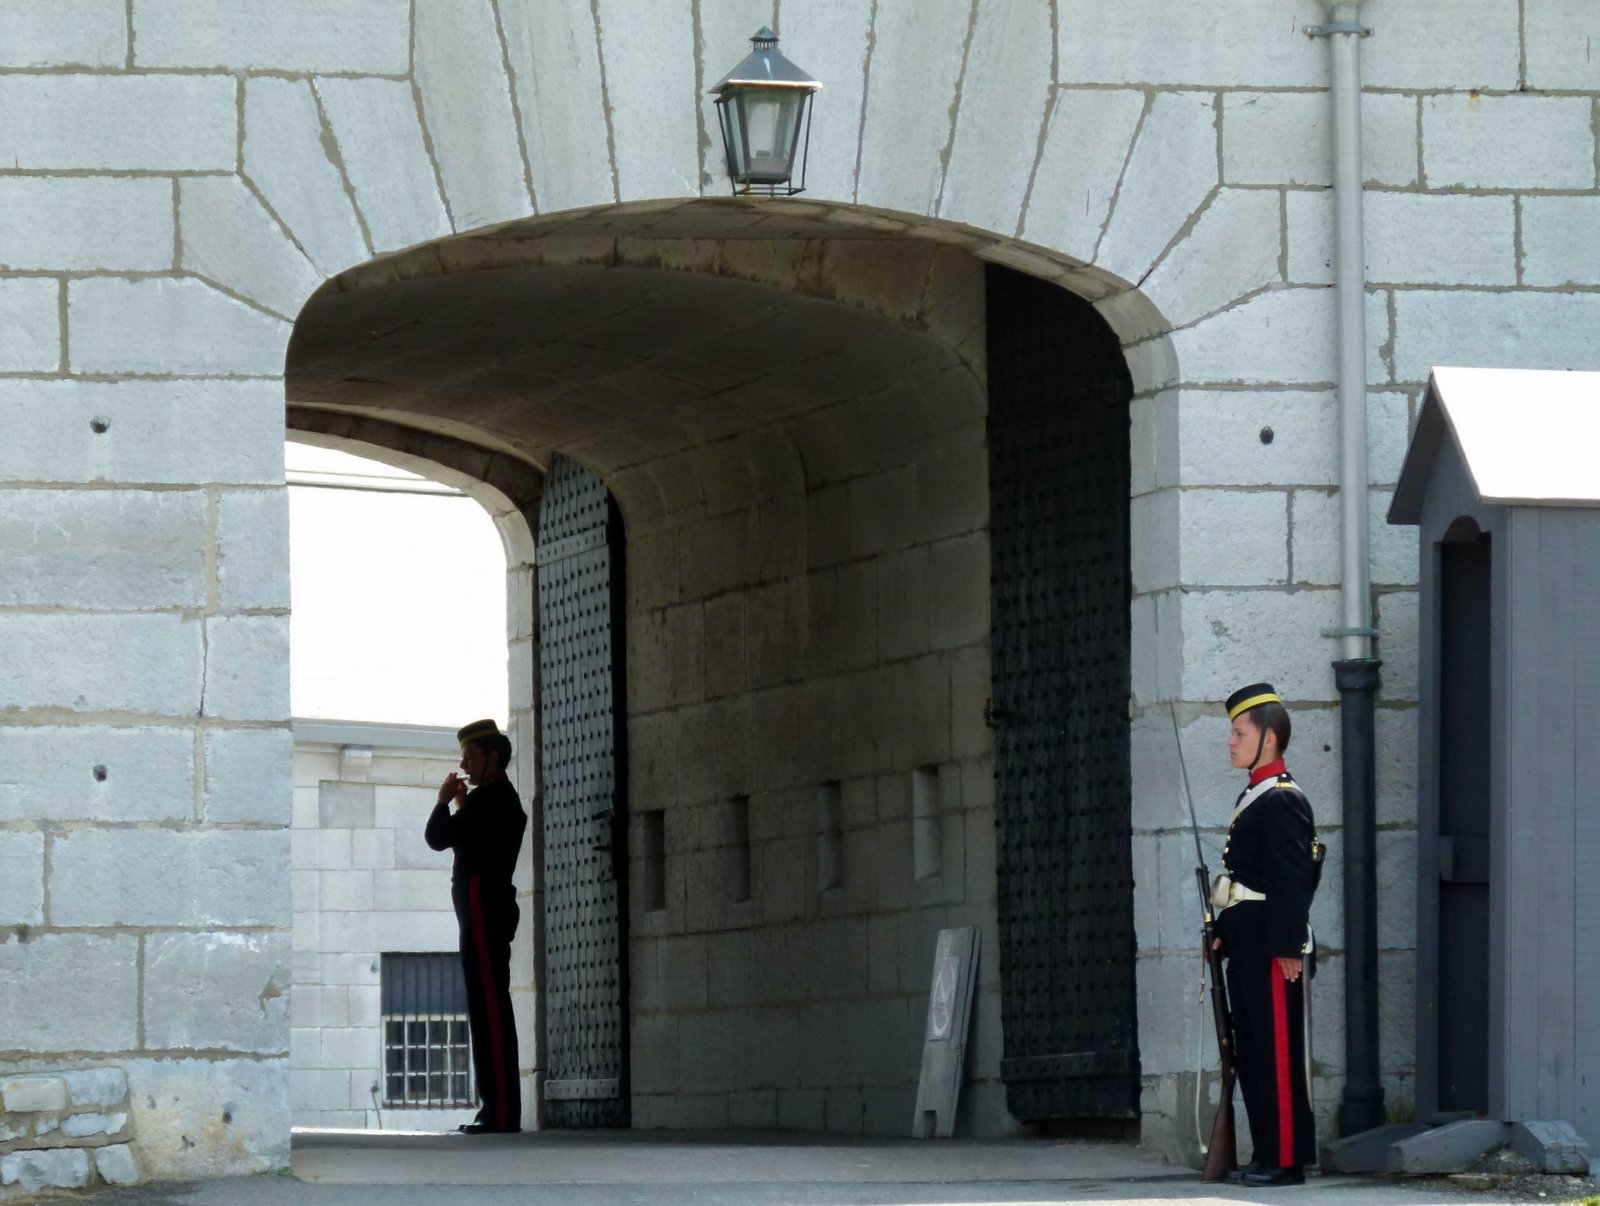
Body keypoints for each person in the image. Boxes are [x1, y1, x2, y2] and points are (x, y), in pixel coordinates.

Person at [1212, 683, 1321, 1186]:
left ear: (1269, 739)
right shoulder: (1256, 795)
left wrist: (1286, 946)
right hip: (1250, 942)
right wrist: (1225, 932)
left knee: (1277, 1051)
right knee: (1253, 1049)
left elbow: (1291, 880)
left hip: (1274, 947)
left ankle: (1286, 1159)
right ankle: (1265, 1153)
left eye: (1240, 733)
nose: (1230, 742)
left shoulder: (1281, 799)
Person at [425, 718, 528, 1135]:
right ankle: (495, 1108)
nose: (464, 762)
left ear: (492, 757)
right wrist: (465, 806)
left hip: (484, 909)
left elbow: (437, 836)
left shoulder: (493, 798)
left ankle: (500, 1113)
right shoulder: (490, 800)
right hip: (483, 910)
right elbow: (475, 841)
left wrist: (443, 801)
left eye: (471, 755)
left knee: (490, 1009)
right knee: (487, 1009)